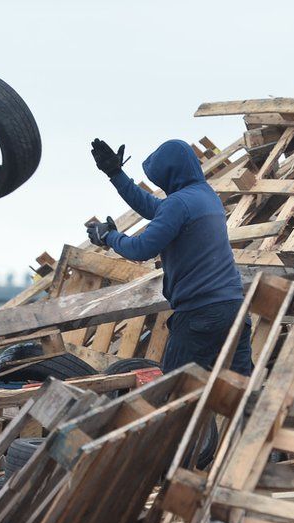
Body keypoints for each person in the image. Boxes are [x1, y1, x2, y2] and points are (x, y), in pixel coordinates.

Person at [85, 138, 253, 375]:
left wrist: (109, 237)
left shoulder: (178, 204)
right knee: (240, 392)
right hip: (234, 309)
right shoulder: (205, 196)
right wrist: (116, 175)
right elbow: (153, 207)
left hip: (200, 316)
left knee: (177, 395)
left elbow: (141, 249)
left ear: (168, 173)